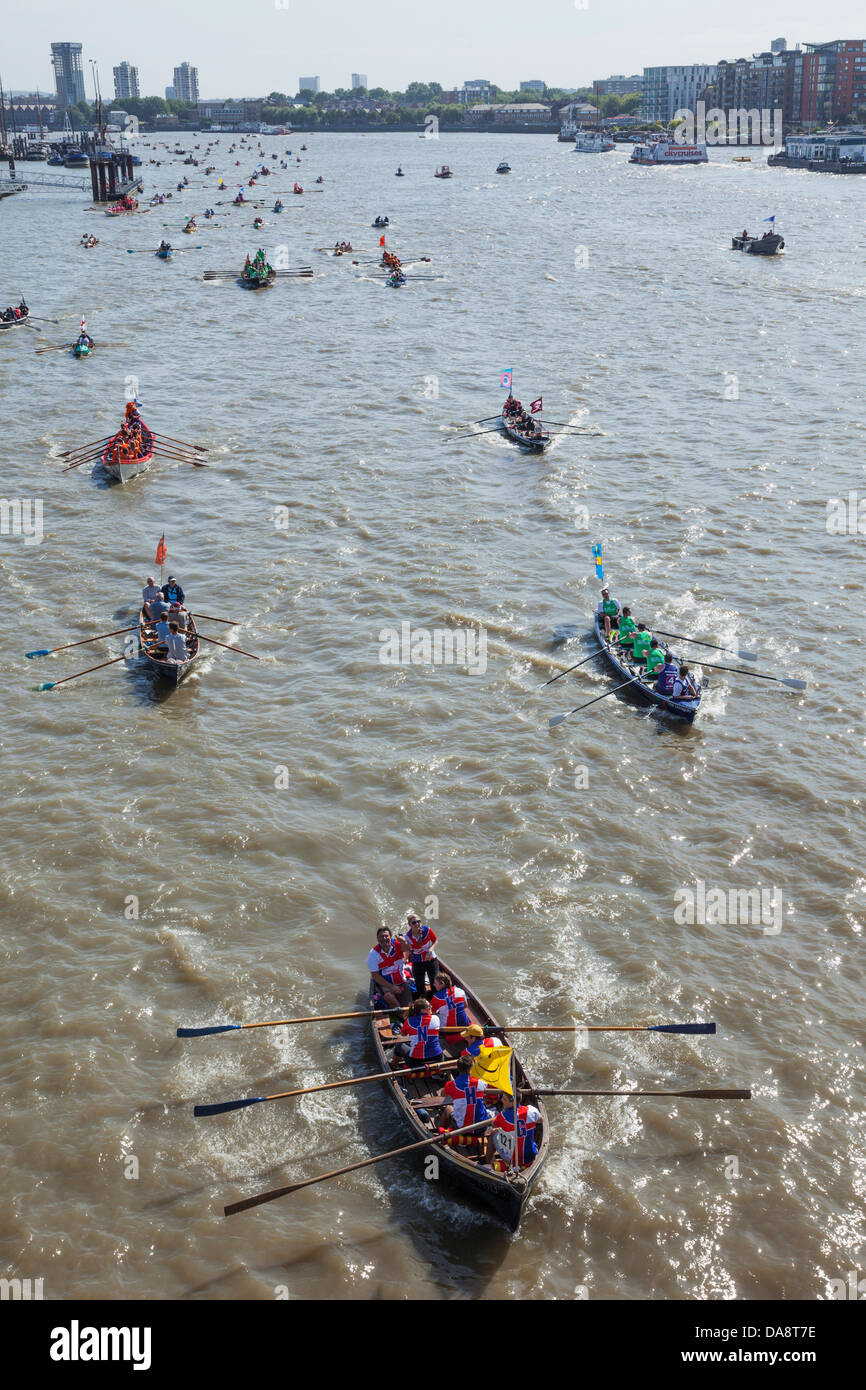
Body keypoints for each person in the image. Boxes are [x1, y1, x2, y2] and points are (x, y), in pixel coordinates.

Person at [419, 1055, 492, 1144]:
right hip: (481, 1127)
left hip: (462, 1129)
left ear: (458, 1068)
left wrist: (452, 1088)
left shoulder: (451, 1085)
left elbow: (443, 1094)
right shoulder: (481, 1083)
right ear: (471, 1068)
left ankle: (440, 1135)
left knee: (448, 1108)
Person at [485, 1094, 542, 1172]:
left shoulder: (503, 1116)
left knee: (494, 1133)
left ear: (512, 1102)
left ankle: (488, 1160)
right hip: (531, 1156)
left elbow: (494, 1124)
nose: (501, 1100)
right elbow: (540, 1120)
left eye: (504, 1099)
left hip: (512, 1158)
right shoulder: (531, 1110)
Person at [367, 927, 412, 1009]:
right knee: (388, 997)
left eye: (386, 936)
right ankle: (400, 1012)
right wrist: (392, 987)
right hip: (386, 985)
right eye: (381, 936)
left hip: (402, 981)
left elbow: (407, 948)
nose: (384, 938)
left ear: (390, 937)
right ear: (377, 939)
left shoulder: (398, 944)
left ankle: (404, 1010)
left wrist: (403, 941)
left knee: (408, 1004)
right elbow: (375, 976)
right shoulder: (373, 954)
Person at [395, 996, 443, 1069]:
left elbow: (403, 1034)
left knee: (398, 1046)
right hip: (438, 1058)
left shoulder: (408, 1021)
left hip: (416, 1061)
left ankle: (393, 1065)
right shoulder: (436, 1018)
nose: (431, 1007)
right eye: (429, 1006)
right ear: (422, 1010)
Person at [403, 911, 438, 997]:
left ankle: (435, 998)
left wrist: (431, 950)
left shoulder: (427, 930)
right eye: (414, 922)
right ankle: (423, 998)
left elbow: (435, 941)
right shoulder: (407, 936)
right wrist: (406, 958)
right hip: (417, 961)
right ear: (410, 925)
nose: (417, 924)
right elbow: (407, 949)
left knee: (434, 983)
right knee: (419, 986)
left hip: (430, 959)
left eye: (418, 921)